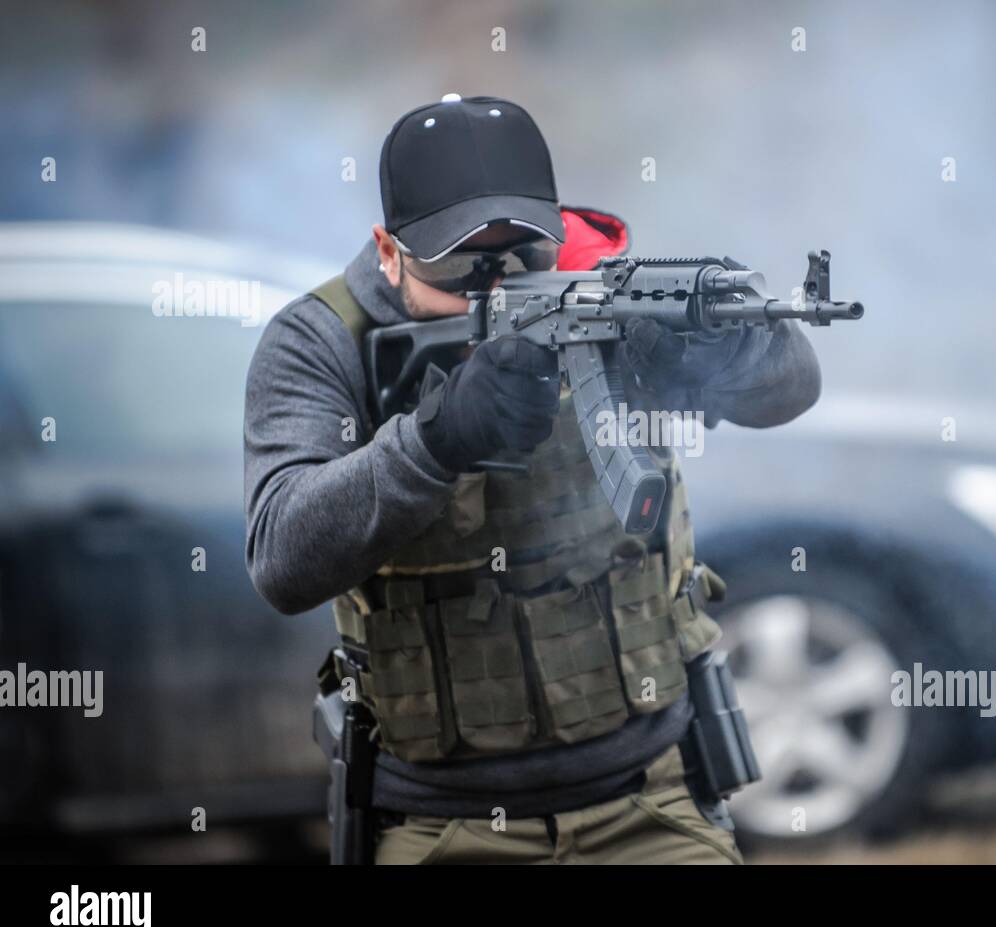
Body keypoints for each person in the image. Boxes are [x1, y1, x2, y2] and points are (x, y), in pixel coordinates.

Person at [243, 94, 821, 864]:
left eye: (526, 253)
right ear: (389, 251)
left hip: (651, 799)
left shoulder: (613, 293)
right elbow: (282, 557)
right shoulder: (322, 344)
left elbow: (792, 386)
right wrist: (436, 443)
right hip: (445, 825)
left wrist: (716, 355)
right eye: (460, 266)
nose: (495, 283)